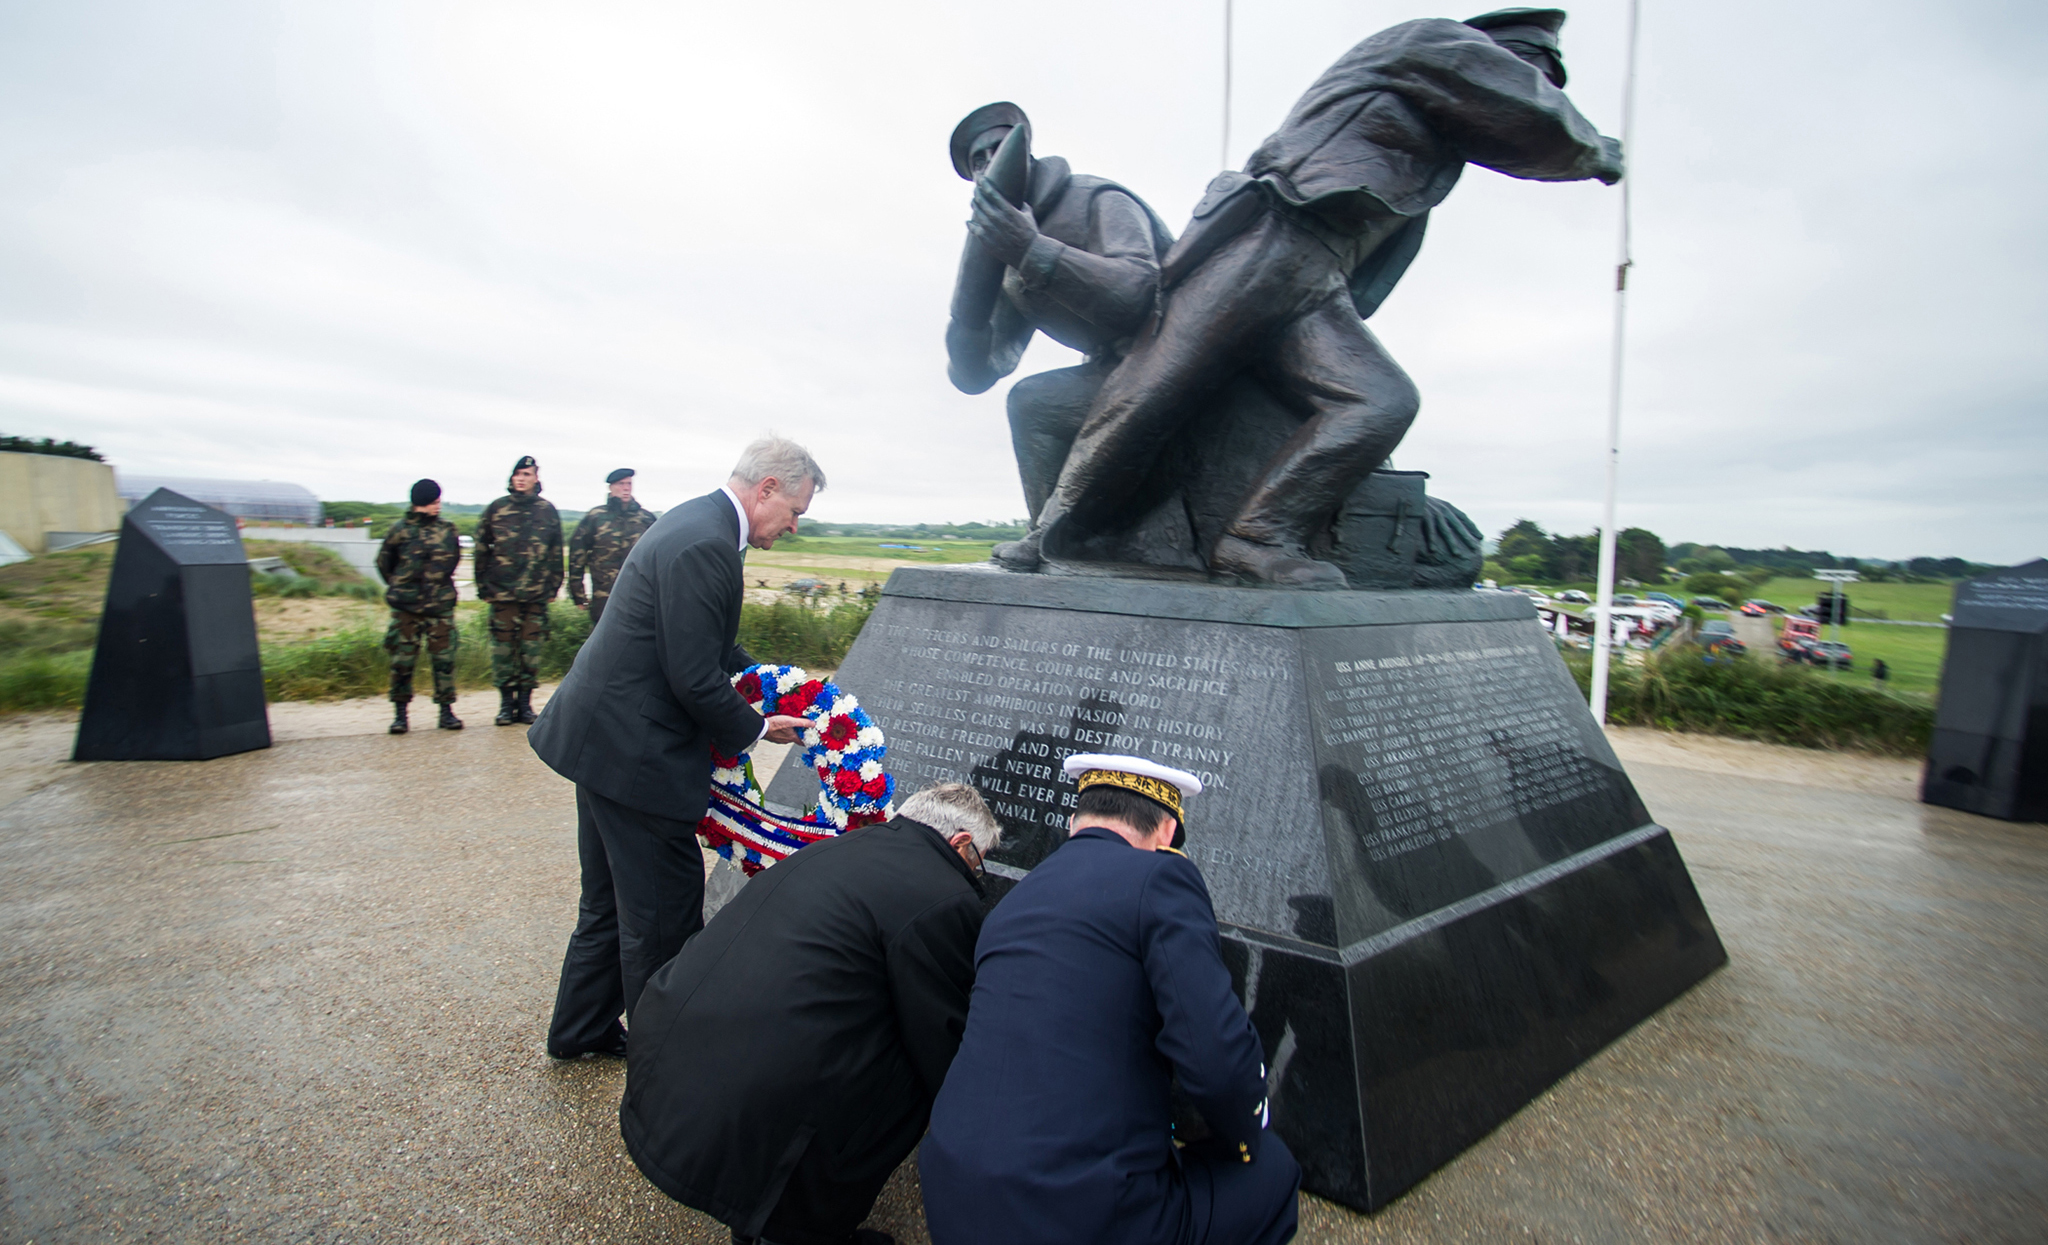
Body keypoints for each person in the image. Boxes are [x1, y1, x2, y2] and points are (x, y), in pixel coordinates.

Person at [996, 8, 1623, 586]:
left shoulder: (1435, 142)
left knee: (1379, 400)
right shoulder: (1431, 44)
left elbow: (1379, 264)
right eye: (1536, 76)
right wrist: (1594, 149)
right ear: (1500, 57)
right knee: (1154, 390)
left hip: (1316, 273)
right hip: (1274, 236)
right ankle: (1048, 537)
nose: (1543, 91)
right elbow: (1527, 114)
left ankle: (1256, 537)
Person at [920, 755, 1298, 1245]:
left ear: (1073, 824)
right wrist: (1246, 1137)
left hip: (952, 1191)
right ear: (1166, 832)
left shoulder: (1015, 900)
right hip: (1081, 1212)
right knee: (1272, 1170)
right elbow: (1215, 1058)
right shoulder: (1161, 878)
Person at [528, 435, 822, 1060]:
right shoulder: (706, 542)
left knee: (607, 903)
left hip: (605, 740)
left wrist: (772, 685)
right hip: (636, 755)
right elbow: (692, 675)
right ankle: (669, 1064)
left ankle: (580, 1029)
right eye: (795, 510)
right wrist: (754, 726)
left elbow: (709, 647)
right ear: (766, 488)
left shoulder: (700, 523)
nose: (794, 526)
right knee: (662, 917)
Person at [622, 784, 1002, 1245]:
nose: (975, 875)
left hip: (666, 1068)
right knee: (906, 1072)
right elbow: (942, 1031)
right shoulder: (942, 894)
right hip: (750, 1103)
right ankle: (800, 1225)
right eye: (978, 861)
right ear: (960, 842)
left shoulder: (843, 846)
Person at [945, 102, 1176, 522]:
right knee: (1033, 403)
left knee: (1033, 402)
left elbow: (1139, 291)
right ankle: (1053, 540)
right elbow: (984, 370)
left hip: (1175, 354)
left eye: (997, 150)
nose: (988, 166)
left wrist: (1032, 250)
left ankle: (1056, 540)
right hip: (1114, 374)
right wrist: (966, 327)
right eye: (977, 162)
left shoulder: (1097, 198)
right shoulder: (1005, 249)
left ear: (1026, 154)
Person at [474, 455, 564, 725]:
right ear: (512, 478)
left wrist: (553, 586)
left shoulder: (546, 510)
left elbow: (555, 552)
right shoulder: (496, 509)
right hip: (503, 594)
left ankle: (524, 705)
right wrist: (483, 586)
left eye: (527, 474)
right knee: (503, 651)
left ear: (536, 478)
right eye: (518, 474)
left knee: (530, 651)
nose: (522, 479)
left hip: (535, 595)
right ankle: (505, 706)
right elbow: (481, 548)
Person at [376, 478, 463, 735]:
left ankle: (446, 712)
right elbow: (384, 562)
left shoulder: (448, 530)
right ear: (421, 503)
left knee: (444, 661)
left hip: (440, 607)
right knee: (402, 662)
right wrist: (401, 588)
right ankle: (400, 715)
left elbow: (453, 560)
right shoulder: (399, 530)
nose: (439, 506)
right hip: (406, 609)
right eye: (435, 502)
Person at [568, 467, 656, 625]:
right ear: (611, 487)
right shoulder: (596, 517)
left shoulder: (646, 519)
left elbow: (658, 555)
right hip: (604, 595)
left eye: (629, 484)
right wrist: (577, 592)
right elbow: (577, 553)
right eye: (621, 484)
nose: (626, 488)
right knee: (601, 643)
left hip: (638, 594)